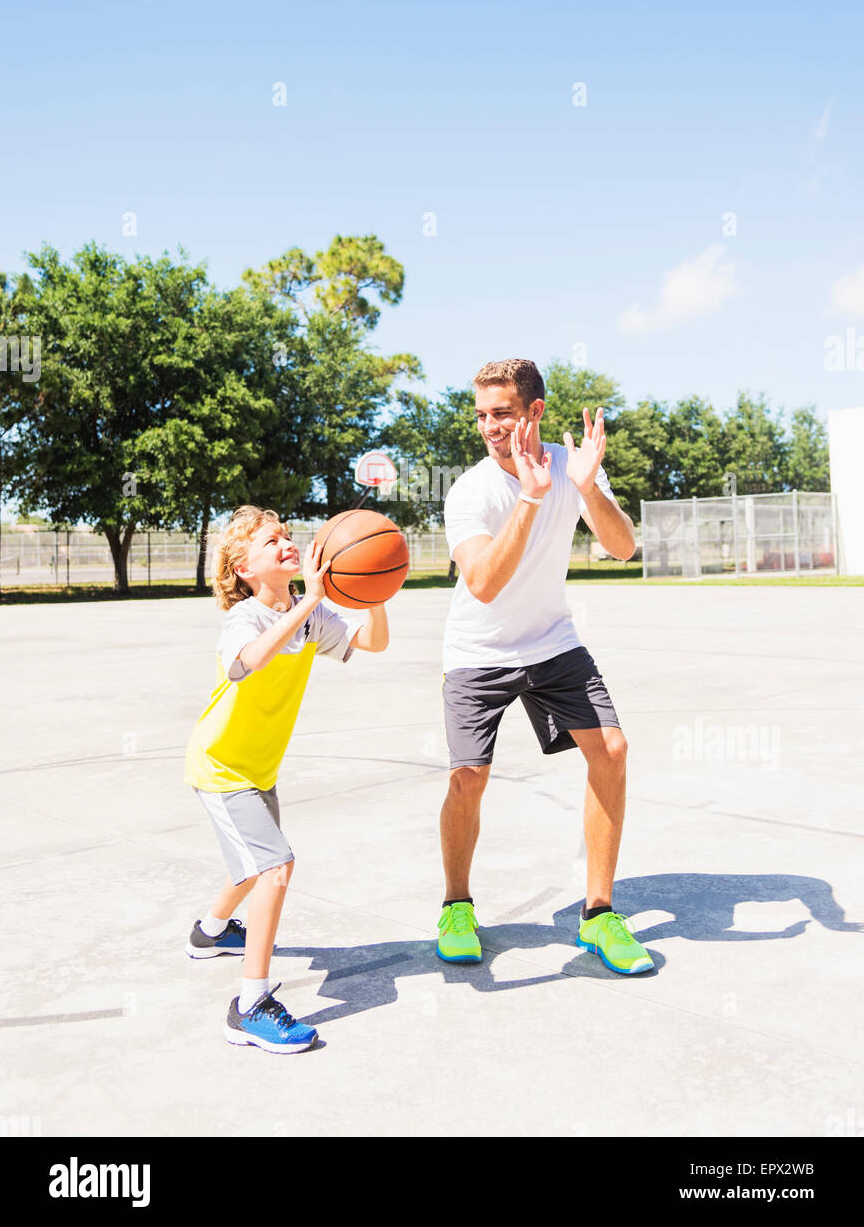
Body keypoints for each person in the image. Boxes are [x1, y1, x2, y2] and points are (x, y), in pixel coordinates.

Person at [437, 358, 653, 974]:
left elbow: (622, 546)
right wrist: (530, 498)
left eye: (501, 413)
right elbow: (481, 583)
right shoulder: (470, 491)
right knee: (468, 779)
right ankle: (456, 905)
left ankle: (600, 914)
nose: (488, 427)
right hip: (479, 650)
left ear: (534, 411)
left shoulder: (571, 467)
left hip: (553, 641)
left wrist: (585, 486)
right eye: (481, 415)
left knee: (611, 751)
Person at [184, 504, 389, 1053]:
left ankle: (210, 932)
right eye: (271, 541)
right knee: (275, 865)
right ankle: (249, 1005)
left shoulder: (308, 612)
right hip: (221, 767)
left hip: (257, 767)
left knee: (251, 869)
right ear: (246, 570)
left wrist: (376, 589)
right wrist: (319, 600)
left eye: (286, 535)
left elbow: (372, 642)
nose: (287, 543)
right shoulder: (247, 617)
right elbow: (248, 660)